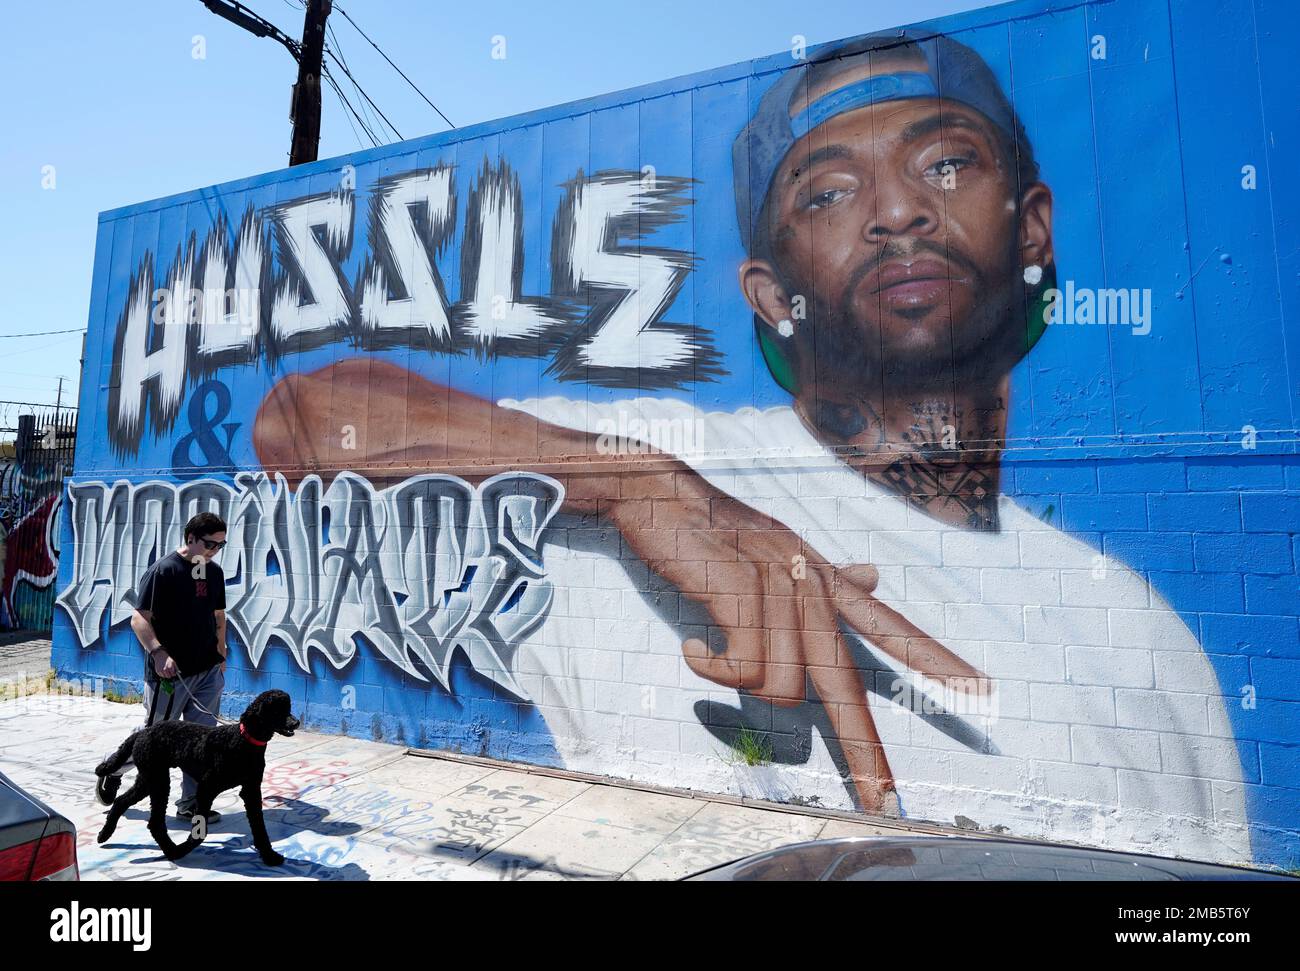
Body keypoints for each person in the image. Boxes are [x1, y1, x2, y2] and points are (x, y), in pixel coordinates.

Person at [253, 30, 1251, 862]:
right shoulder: (657, 456)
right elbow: (299, 417)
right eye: (827, 191)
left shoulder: (1141, 632)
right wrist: (641, 487)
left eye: (945, 163)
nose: (897, 211)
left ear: (1032, 228)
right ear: (773, 294)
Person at [95, 511, 229, 825]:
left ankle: (192, 804)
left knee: (202, 740)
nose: (213, 551)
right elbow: (139, 618)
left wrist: (221, 652)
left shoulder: (215, 573)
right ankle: (113, 767)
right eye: (209, 544)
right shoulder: (164, 571)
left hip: (208, 670)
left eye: (220, 546)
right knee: (156, 738)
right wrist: (158, 653)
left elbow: (219, 616)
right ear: (191, 538)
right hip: (171, 673)